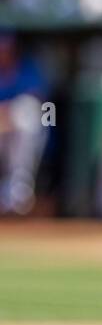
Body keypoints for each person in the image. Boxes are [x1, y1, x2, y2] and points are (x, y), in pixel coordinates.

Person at [0, 30, 49, 215]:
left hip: (27, 137)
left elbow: (41, 107)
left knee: (26, 114)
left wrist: (6, 116)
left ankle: (17, 196)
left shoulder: (28, 70)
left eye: (6, 47)